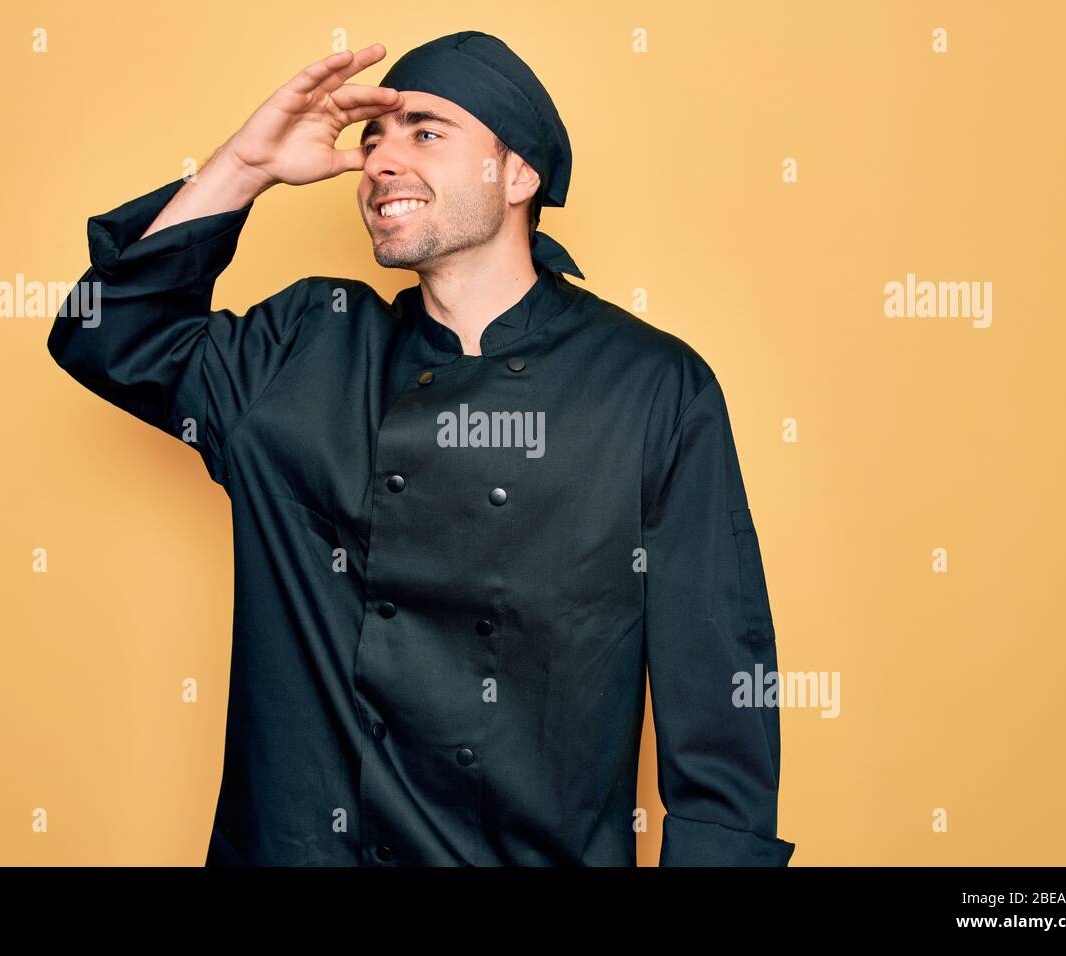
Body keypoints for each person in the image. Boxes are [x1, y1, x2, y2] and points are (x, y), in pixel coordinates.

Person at [47, 31, 796, 866]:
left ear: (519, 175)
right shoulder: (306, 349)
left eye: (425, 132)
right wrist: (246, 164)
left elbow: (720, 718)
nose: (380, 163)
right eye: (372, 140)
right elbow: (108, 333)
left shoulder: (652, 387)